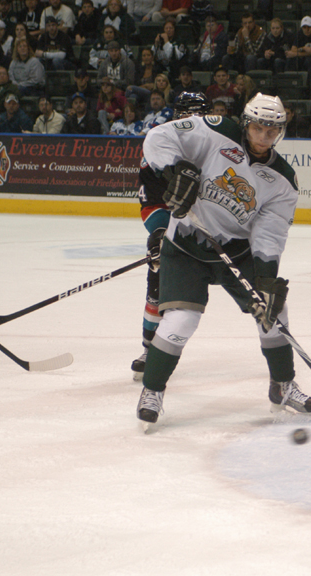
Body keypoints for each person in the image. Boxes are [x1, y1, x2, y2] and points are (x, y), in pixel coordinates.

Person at [134, 92, 311, 426]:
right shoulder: (217, 131)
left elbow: (270, 233)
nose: (264, 136)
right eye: (259, 128)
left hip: (237, 252)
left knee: (272, 312)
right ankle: (152, 391)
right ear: (246, 123)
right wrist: (174, 171)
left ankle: (282, 385)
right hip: (187, 243)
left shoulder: (283, 180)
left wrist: (266, 276)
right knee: (181, 320)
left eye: (272, 130)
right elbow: (158, 138)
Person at [130, 90, 210, 380]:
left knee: (249, 288)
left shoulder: (221, 146)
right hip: (175, 230)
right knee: (158, 286)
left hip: (213, 230)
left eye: (199, 115)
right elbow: (151, 203)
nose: (193, 121)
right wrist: (160, 232)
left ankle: (276, 355)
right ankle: (150, 349)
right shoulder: (158, 145)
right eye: (187, 115)